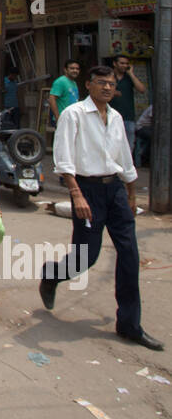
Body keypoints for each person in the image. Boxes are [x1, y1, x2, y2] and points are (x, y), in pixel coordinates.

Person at [38, 65, 162, 350]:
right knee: (86, 257)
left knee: (129, 253)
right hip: (86, 189)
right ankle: (53, 275)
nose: (107, 87)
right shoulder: (74, 115)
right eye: (101, 83)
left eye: (110, 83)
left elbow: (124, 157)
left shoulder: (116, 117)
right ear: (89, 85)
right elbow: (64, 156)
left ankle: (129, 325)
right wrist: (76, 194)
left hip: (115, 190)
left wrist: (131, 194)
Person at [110, 54, 145, 155]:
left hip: (128, 117)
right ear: (114, 64)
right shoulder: (109, 77)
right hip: (112, 116)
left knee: (129, 146)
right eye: (122, 63)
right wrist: (113, 92)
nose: (124, 65)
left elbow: (142, 89)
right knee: (112, 144)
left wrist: (131, 74)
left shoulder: (129, 77)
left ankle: (127, 168)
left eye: (126, 64)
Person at [48, 59, 80, 124]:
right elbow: (52, 99)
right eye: (72, 68)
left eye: (77, 69)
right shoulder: (60, 82)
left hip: (72, 119)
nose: (75, 70)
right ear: (65, 70)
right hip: (63, 119)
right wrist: (58, 118)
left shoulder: (74, 83)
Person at [135, 104, 153, 168]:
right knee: (154, 138)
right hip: (141, 127)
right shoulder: (154, 106)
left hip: (149, 128)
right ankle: (144, 156)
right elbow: (154, 121)